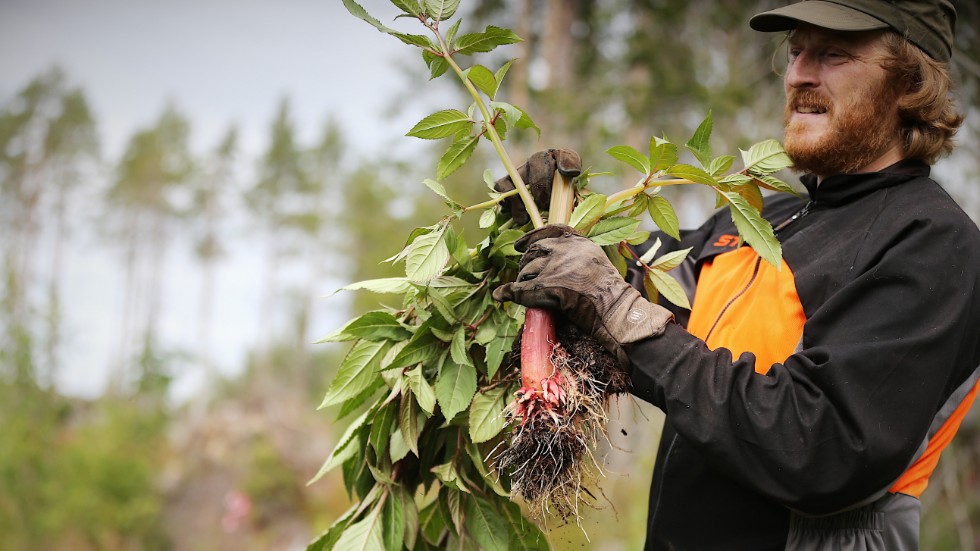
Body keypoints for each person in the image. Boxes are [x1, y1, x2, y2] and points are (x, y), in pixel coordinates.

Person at [491, 1, 980, 549]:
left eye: (834, 54)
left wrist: (615, 310)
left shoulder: (931, 242)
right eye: (796, 52)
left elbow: (819, 446)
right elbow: (644, 295)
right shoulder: (763, 220)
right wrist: (559, 222)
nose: (798, 75)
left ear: (910, 83)